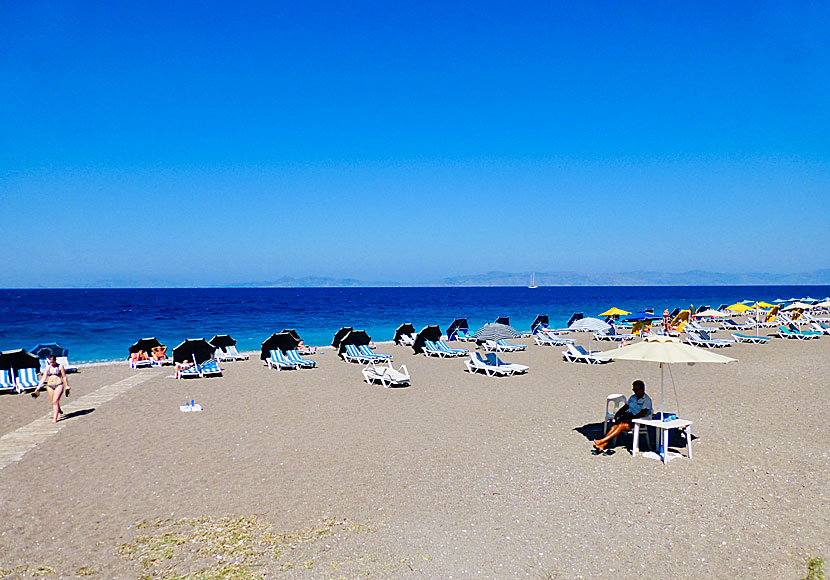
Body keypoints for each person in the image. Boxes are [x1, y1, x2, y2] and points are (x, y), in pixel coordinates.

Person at [593, 380, 652, 451]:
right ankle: (603, 445)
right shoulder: (633, 397)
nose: (635, 392)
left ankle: (602, 441)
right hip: (629, 416)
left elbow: (642, 413)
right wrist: (618, 414)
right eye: (634, 390)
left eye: (636, 390)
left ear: (642, 389)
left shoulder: (647, 400)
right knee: (614, 426)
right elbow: (625, 407)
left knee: (620, 426)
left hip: (638, 421)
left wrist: (630, 420)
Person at [33, 355, 69, 423]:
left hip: (59, 385)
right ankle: (59, 411)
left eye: (53, 362)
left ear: (55, 361)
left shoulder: (60, 367)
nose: (51, 363)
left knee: (55, 401)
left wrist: (67, 386)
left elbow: (64, 377)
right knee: (53, 402)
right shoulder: (47, 367)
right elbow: (44, 377)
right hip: (49, 386)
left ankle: (55, 418)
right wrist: (38, 387)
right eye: (50, 362)